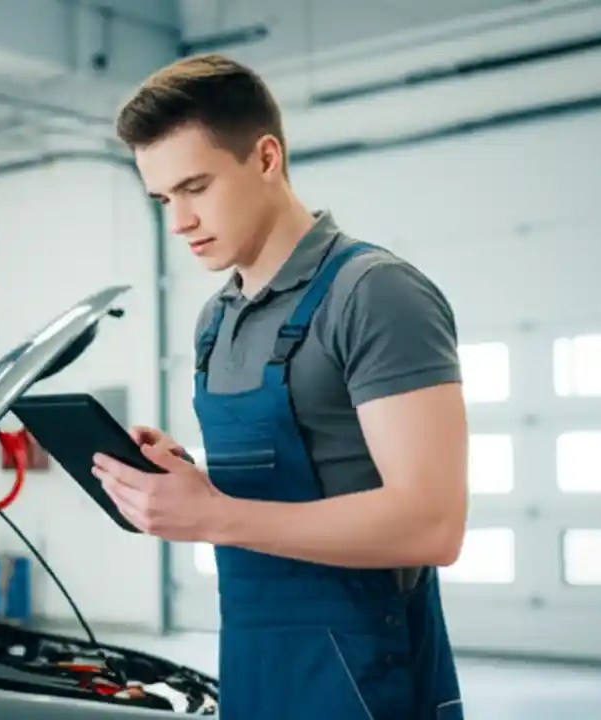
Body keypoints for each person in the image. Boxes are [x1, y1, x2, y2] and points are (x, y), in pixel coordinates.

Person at [91, 53, 469, 720]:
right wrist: (192, 482)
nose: (176, 222)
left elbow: (433, 522)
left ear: (266, 158)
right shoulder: (218, 320)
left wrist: (212, 516)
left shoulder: (374, 294)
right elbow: (292, 488)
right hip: (256, 669)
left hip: (366, 683)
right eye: (162, 199)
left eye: (196, 187)